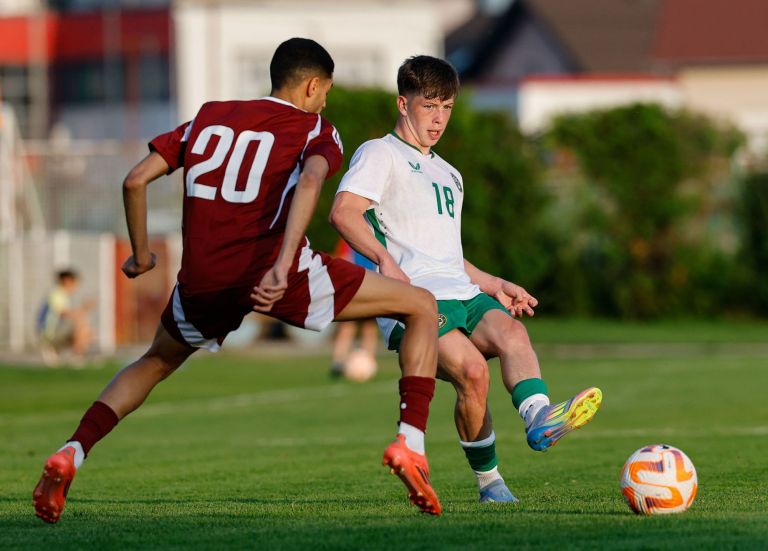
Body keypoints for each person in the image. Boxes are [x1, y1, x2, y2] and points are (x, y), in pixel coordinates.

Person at [32, 38, 443, 524]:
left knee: (155, 361)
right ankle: (411, 445)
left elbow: (135, 180)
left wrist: (142, 255)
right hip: (275, 269)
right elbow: (310, 183)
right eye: (326, 91)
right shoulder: (314, 128)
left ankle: (72, 451)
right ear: (313, 86)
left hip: (201, 279)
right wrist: (282, 261)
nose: (326, 101)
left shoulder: (208, 116)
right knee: (419, 305)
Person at [330, 55, 603, 503]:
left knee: (513, 332)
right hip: (414, 300)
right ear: (403, 103)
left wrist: (494, 283)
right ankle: (490, 483)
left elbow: (449, 256)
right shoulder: (379, 153)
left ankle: (540, 420)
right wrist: (383, 258)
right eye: (429, 105)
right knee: (473, 373)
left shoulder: (449, 173)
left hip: (460, 289)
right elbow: (343, 212)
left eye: (447, 107)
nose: (438, 119)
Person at [329, 239, 379, 379]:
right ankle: (340, 362)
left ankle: (365, 361)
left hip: (369, 284)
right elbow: (344, 258)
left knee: (366, 326)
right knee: (351, 325)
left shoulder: (372, 234)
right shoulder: (350, 236)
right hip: (359, 284)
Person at [37, 269, 94, 365]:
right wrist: (84, 308)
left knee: (87, 330)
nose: (76, 287)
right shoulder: (56, 294)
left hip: (55, 332)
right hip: (49, 334)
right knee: (81, 323)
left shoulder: (62, 296)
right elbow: (64, 313)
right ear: (67, 281)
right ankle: (77, 356)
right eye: (75, 283)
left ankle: (58, 352)